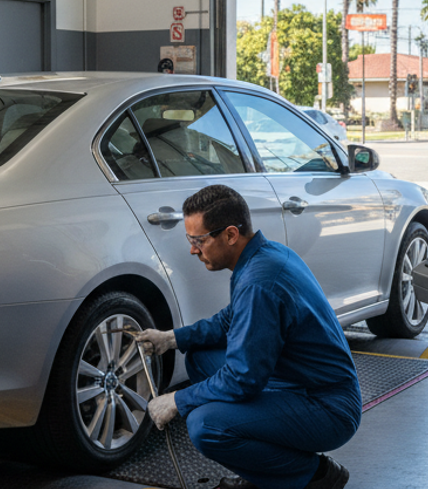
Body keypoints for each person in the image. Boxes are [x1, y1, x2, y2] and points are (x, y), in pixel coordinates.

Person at [135, 185, 360, 489]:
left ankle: (314, 475)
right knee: (200, 358)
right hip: (298, 382)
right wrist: (173, 338)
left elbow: (243, 378)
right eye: (190, 240)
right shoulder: (266, 255)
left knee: (205, 426)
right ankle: (267, 461)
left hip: (326, 407)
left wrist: (176, 400)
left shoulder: (259, 283)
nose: (193, 250)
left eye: (199, 240)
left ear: (230, 234)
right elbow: (231, 319)